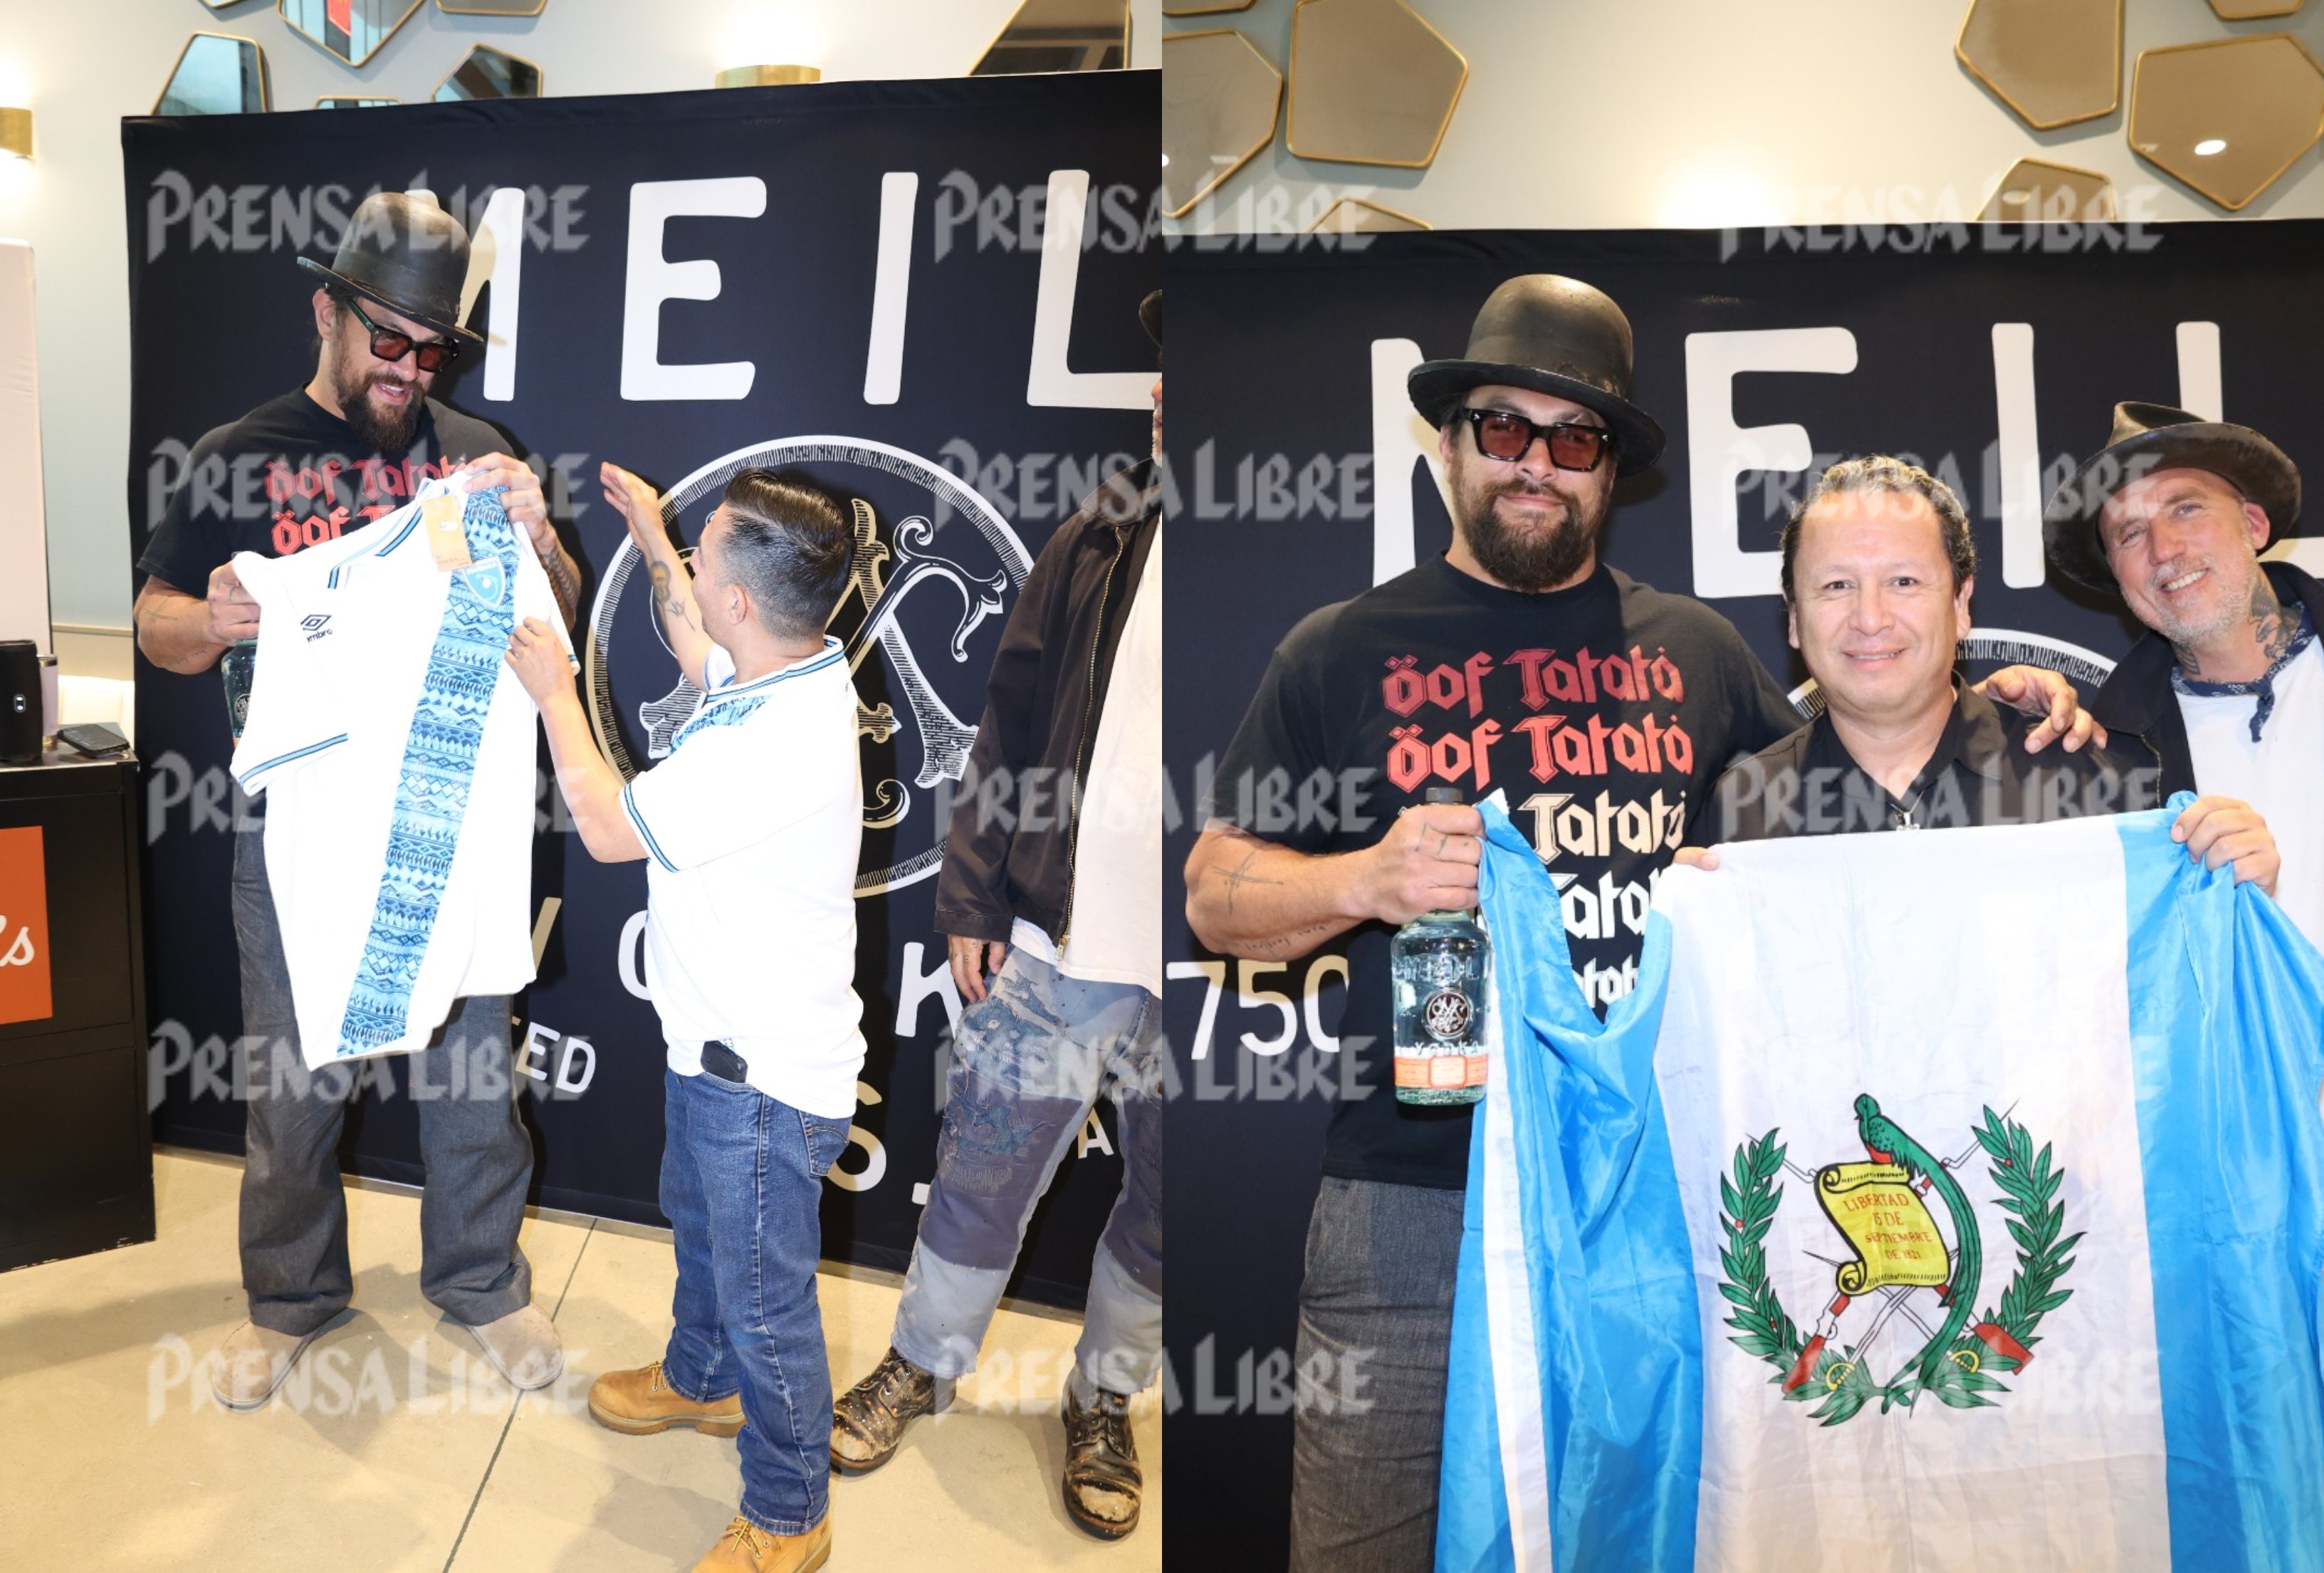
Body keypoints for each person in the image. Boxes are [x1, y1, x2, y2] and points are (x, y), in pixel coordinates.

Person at [1181, 275, 2100, 1572]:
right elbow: (1215, 893)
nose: (1536, 465)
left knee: (1647, 1531)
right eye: (1503, 428)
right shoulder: (1336, 648)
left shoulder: (1695, 652)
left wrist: (1991, 694)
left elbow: (1858, 803)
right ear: (1448, 442)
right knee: (1362, 1547)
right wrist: (1364, 878)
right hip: (1412, 1195)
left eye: (1575, 439)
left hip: (1653, 1187)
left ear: (1610, 470)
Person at [133, 190, 582, 1410]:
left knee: (471, 1073)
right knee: (292, 1080)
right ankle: (287, 1294)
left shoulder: (474, 451)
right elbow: (153, 620)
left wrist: (541, 541)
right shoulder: (235, 454)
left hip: (454, 809)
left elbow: (558, 619)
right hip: (304, 825)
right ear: (325, 309)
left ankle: (482, 1279)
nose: (409, 366)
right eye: (387, 337)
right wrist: (214, 617)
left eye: (430, 347)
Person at [827, 291, 1163, 1540]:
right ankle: (921, 1358)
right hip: (1053, 941)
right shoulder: (1095, 539)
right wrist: (971, 886)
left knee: (1170, 1210)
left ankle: (1104, 1395)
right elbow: (1006, 726)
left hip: (1219, 969)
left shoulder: (1300, 552)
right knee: (979, 1170)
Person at [508, 462, 863, 1573]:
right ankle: (700, 1379)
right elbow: (697, 643)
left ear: (745, 599)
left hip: (758, 1080)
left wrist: (556, 690)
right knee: (708, 1240)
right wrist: (661, 546)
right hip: (717, 1053)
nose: (692, 564)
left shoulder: (774, 738)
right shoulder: (784, 670)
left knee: (767, 1305)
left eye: (705, 553)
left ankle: (790, 1512)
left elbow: (610, 828)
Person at [1684, 456, 2277, 895]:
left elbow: (2171, 1008)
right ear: (1794, 617)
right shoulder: (1740, 817)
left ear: (1962, 603)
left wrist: (2232, 887)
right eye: (1836, 585)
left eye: (1905, 582)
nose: (1870, 618)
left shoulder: (2097, 784)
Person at [2045, 402, 2324, 946]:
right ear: (2119, 578)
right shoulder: (2109, 757)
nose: (2165, 550)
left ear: (2253, 523)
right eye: (2129, 534)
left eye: (2186, 508)